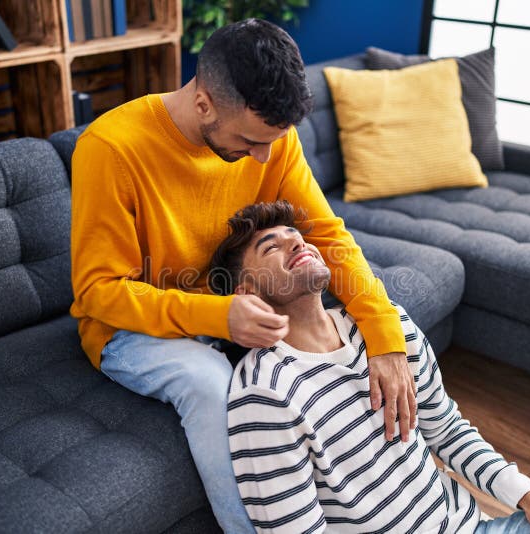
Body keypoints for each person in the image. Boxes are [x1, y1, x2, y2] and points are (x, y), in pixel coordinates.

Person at [69, 19, 416, 533]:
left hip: (238, 303)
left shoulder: (272, 142)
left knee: (342, 331)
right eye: (249, 140)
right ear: (204, 102)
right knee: (213, 384)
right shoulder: (111, 148)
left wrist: (385, 337)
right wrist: (217, 314)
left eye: (271, 143)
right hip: (130, 328)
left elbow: (328, 234)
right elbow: (98, 292)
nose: (260, 157)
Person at [212, 200, 530, 534]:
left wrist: (529, 493)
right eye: (271, 247)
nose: (295, 243)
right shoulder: (264, 393)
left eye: (296, 235)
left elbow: (446, 430)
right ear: (247, 294)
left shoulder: (383, 327)